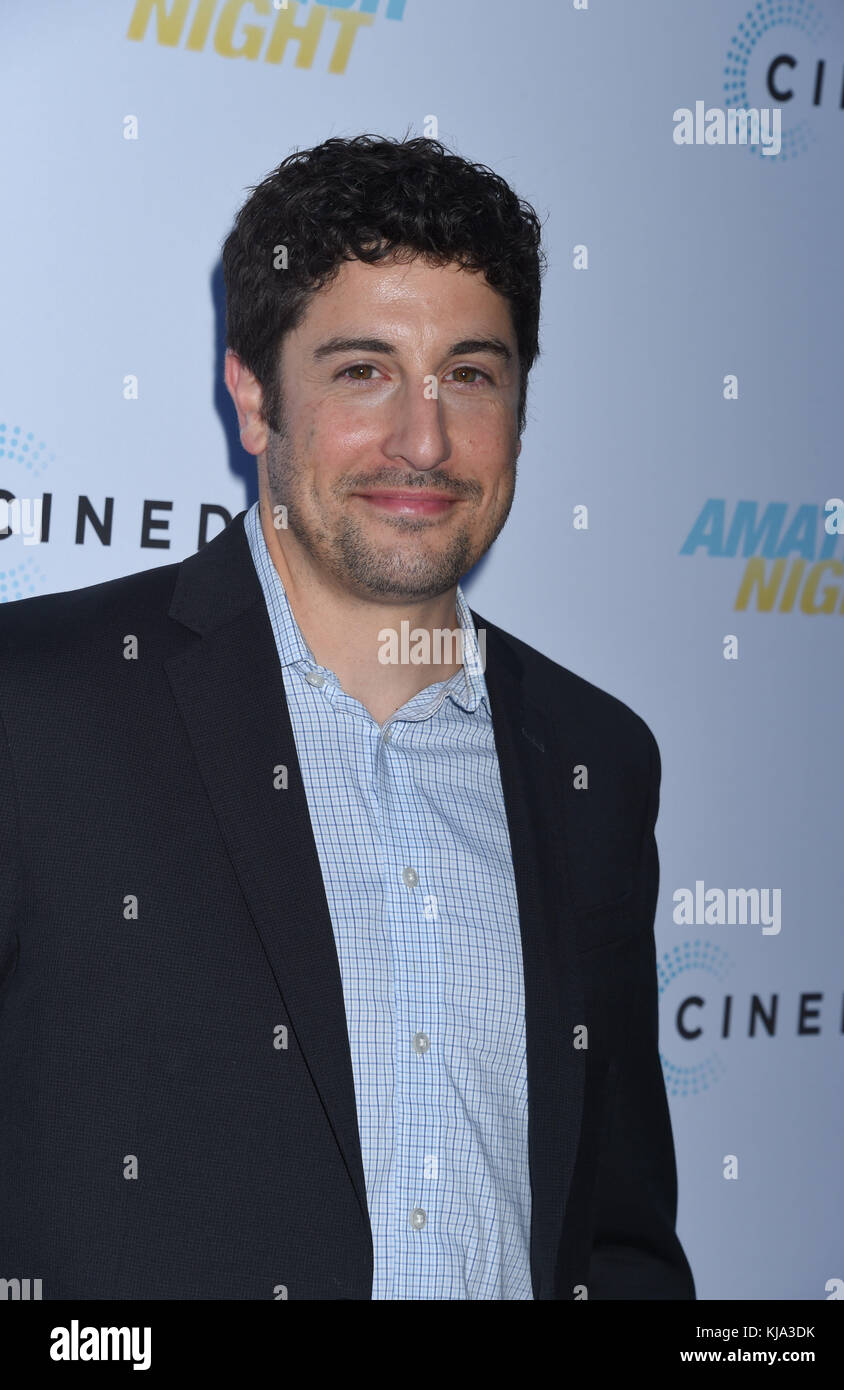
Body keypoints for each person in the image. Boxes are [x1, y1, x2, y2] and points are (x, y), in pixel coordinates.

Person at [0, 134, 695, 1300]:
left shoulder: (595, 760)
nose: (423, 440)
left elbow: (614, 1237)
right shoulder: (37, 709)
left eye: (470, 374)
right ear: (253, 394)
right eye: (363, 370)